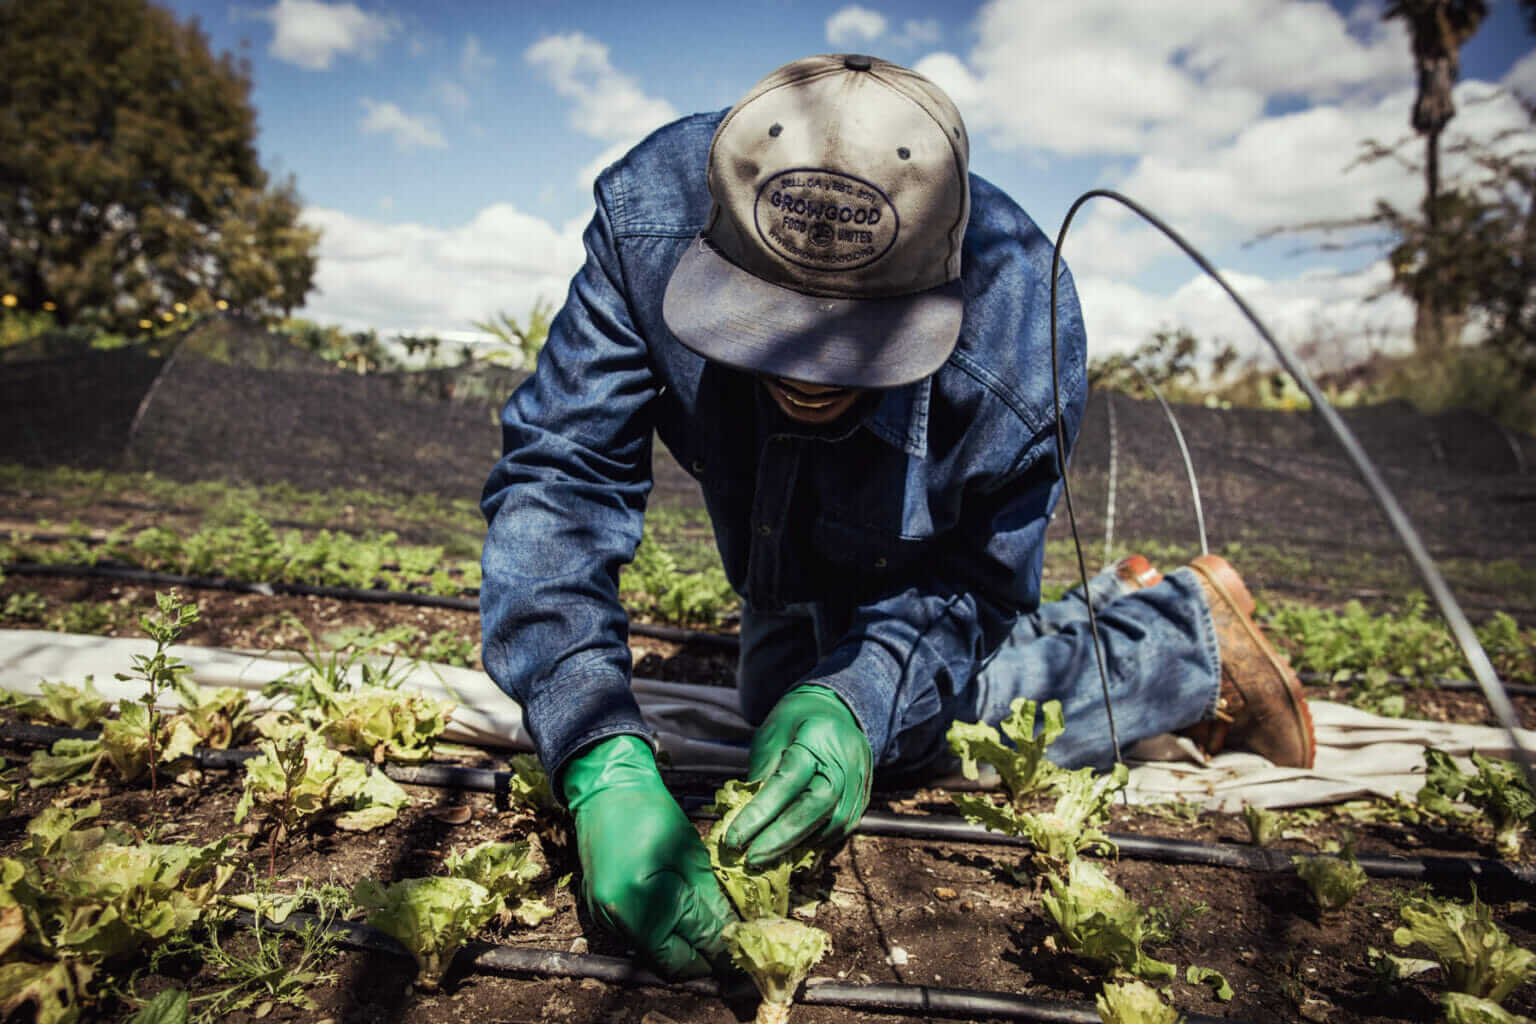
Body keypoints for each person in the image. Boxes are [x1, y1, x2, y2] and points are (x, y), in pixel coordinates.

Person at [479, 53, 1315, 980]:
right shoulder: (649, 223)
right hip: (776, 553)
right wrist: (596, 751)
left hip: (917, 556)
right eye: (767, 325)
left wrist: (864, 699)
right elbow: (562, 477)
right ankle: (1119, 598)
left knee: (902, 734)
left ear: (936, 290)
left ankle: (1184, 644)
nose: (801, 376)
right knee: (771, 708)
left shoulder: (1020, 332)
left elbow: (978, 578)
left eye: (848, 344)